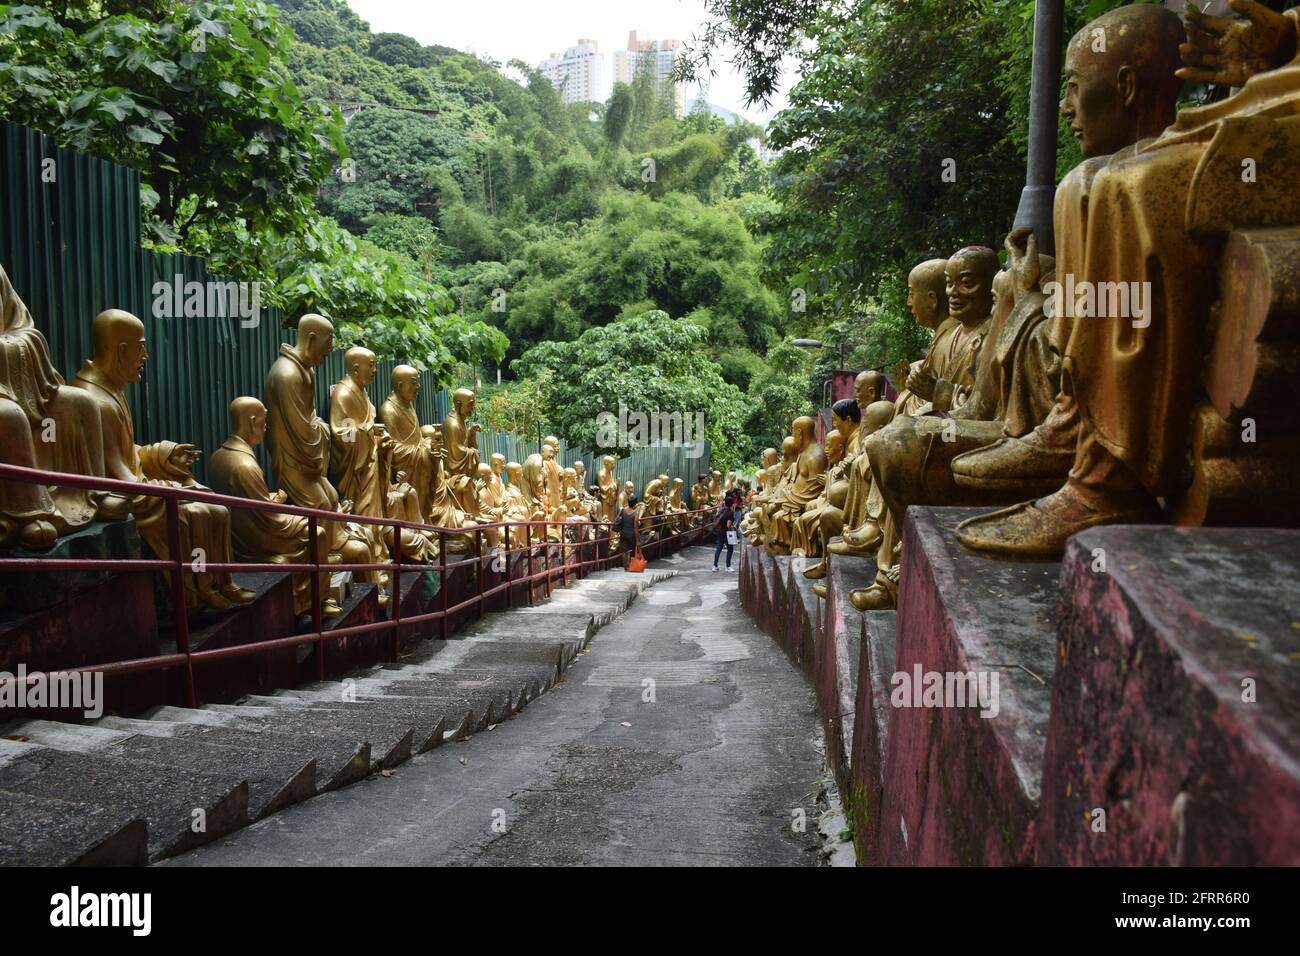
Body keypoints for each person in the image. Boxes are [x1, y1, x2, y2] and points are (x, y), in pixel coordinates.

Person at [712, 491, 741, 572]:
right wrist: (733, 527)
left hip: (718, 531)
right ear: (732, 503)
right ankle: (728, 566)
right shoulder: (730, 512)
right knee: (730, 549)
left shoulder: (721, 509)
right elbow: (728, 525)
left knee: (719, 548)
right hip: (726, 532)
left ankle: (715, 566)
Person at [615, 493, 642, 568]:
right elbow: (636, 528)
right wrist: (638, 540)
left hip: (623, 533)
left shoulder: (623, 510)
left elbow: (619, 520)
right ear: (635, 504)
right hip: (632, 534)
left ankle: (625, 567)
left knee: (624, 551)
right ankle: (631, 565)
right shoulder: (635, 513)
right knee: (633, 550)